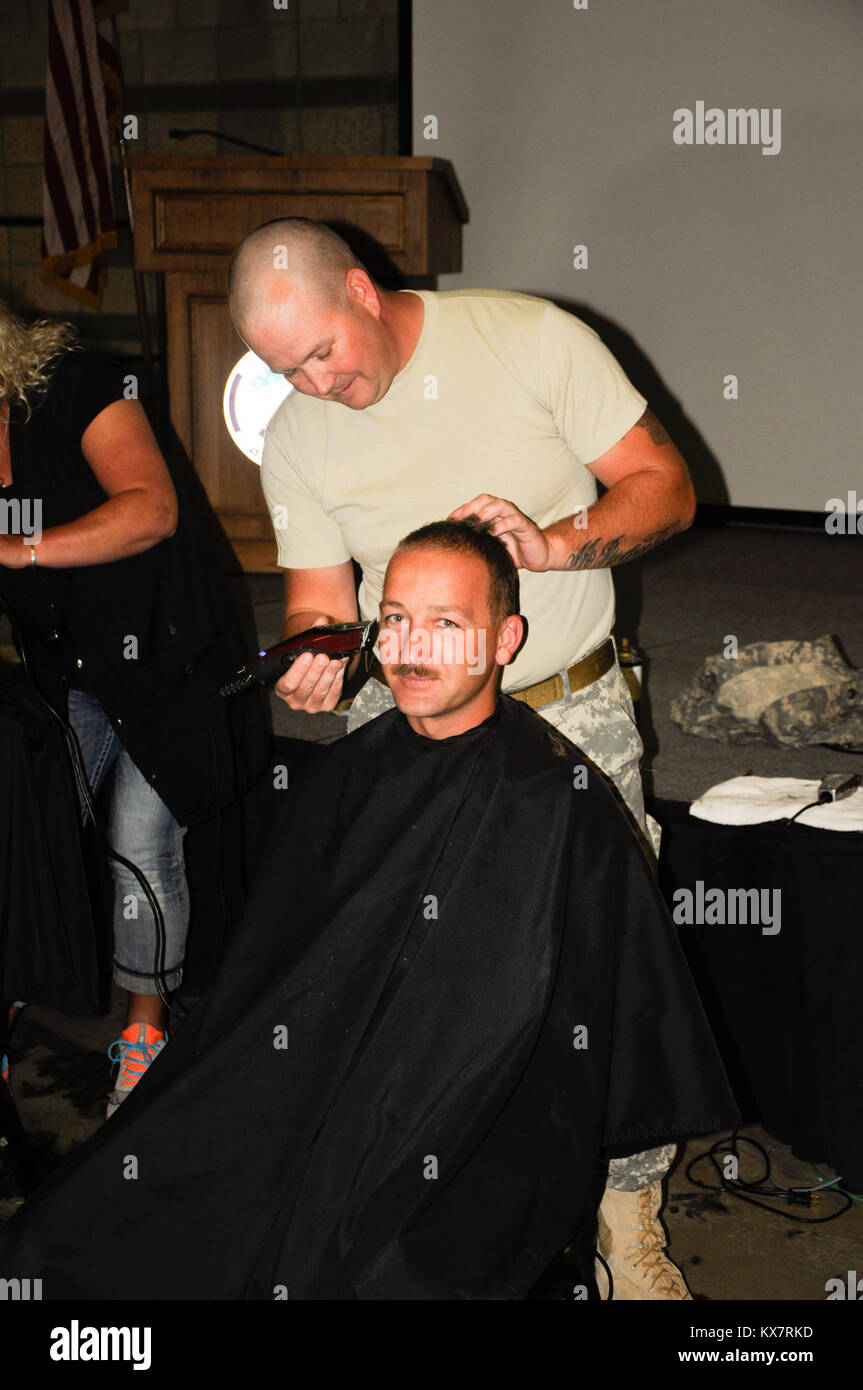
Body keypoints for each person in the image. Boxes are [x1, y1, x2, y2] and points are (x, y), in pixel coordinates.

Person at [0, 519, 737, 1300]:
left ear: (504, 639)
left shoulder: (557, 803)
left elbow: (579, 1030)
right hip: (311, 1084)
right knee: (91, 1232)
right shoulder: (347, 775)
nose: (413, 648)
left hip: (460, 1121)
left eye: (447, 625)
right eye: (395, 620)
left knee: (373, 1259)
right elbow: (273, 987)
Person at [226, 217, 697, 1298]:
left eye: (320, 352)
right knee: (404, 967)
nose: (311, 382)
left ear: (358, 288)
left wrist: (557, 541)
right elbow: (318, 602)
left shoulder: (527, 339)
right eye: (282, 368)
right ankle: (414, 1181)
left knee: (599, 960)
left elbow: (662, 486)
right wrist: (322, 655)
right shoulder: (297, 433)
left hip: (562, 707)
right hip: (409, 724)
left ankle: (624, 1211)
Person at [0, 302, 270, 1115]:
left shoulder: (83, 386)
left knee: (136, 840)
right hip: (65, 667)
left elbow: (153, 510)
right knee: (27, 822)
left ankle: (144, 1033)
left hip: (169, 652)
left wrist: (16, 548)